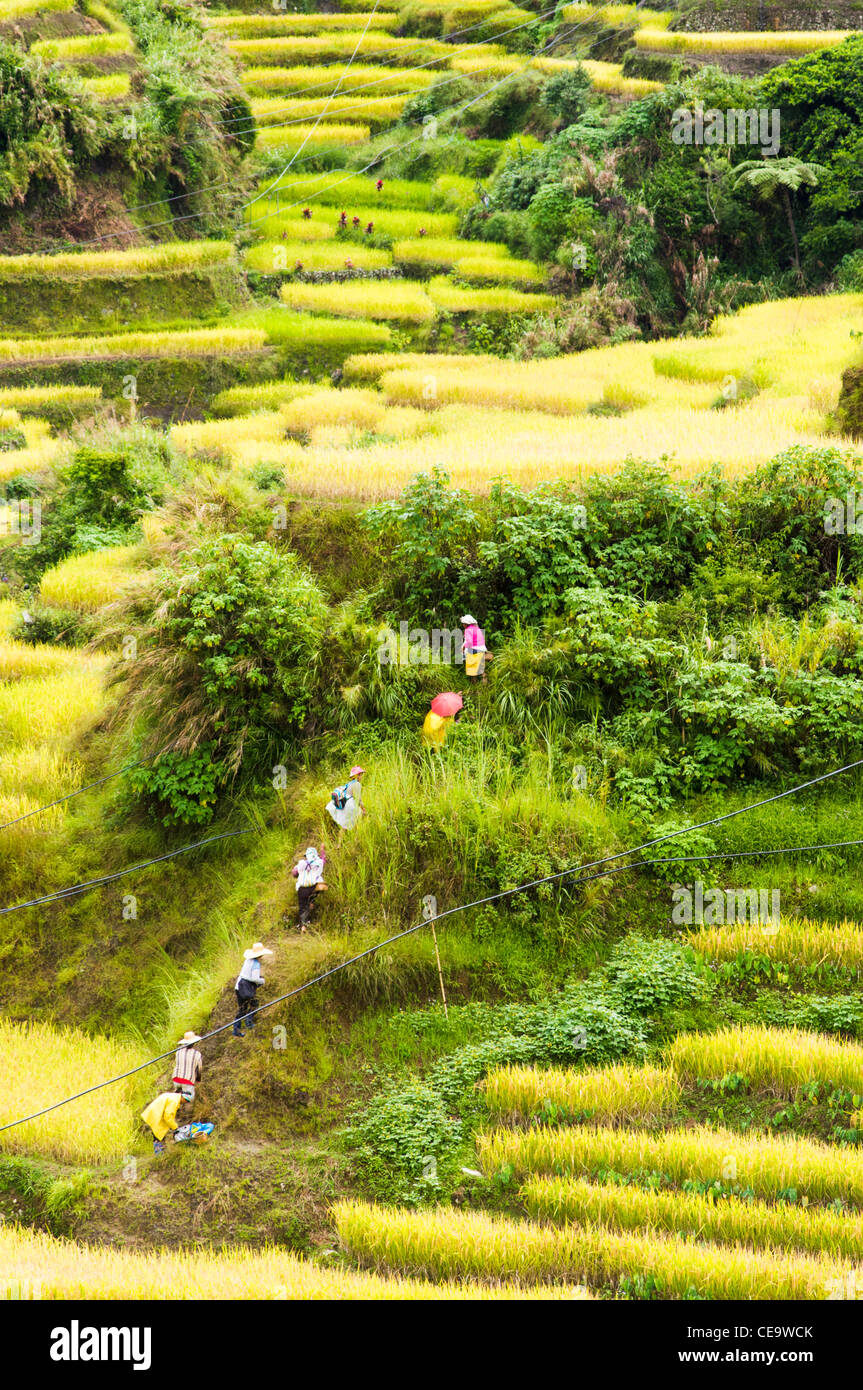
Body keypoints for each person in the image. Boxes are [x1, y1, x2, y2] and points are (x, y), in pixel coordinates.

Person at [233, 942, 273, 1038]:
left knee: (242, 1009)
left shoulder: (247, 960)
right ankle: (249, 1021)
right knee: (254, 1004)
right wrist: (262, 981)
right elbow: (254, 978)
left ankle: (236, 1030)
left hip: (239, 987)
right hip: (246, 988)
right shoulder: (256, 964)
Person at [292, 846, 327, 932]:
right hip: (313, 888)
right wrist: (322, 850)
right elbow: (324, 859)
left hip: (302, 889)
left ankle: (303, 926)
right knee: (314, 894)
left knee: (302, 907)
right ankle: (311, 903)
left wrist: (300, 874)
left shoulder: (301, 864)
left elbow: (294, 873)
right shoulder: (319, 862)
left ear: (306, 856)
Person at [325, 766, 366, 831]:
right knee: (358, 819)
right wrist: (364, 809)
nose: (361, 776)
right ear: (357, 776)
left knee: (344, 826)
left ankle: (340, 841)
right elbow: (358, 800)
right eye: (360, 774)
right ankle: (356, 837)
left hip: (344, 804)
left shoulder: (349, 784)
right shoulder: (357, 784)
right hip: (349, 805)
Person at [172, 1031, 203, 1102]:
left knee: (179, 1093)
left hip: (176, 1079)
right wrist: (198, 1079)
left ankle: (177, 1099)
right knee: (190, 1098)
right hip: (187, 1080)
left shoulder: (178, 1052)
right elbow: (199, 1069)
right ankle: (177, 1101)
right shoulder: (197, 1054)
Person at [460, 614, 488, 682]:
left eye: (463, 624)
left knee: (472, 670)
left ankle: (474, 684)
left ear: (466, 624)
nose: (463, 625)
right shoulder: (477, 628)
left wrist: (463, 647)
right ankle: (485, 686)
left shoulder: (468, 630)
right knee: (481, 670)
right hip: (482, 650)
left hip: (474, 650)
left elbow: (469, 642)